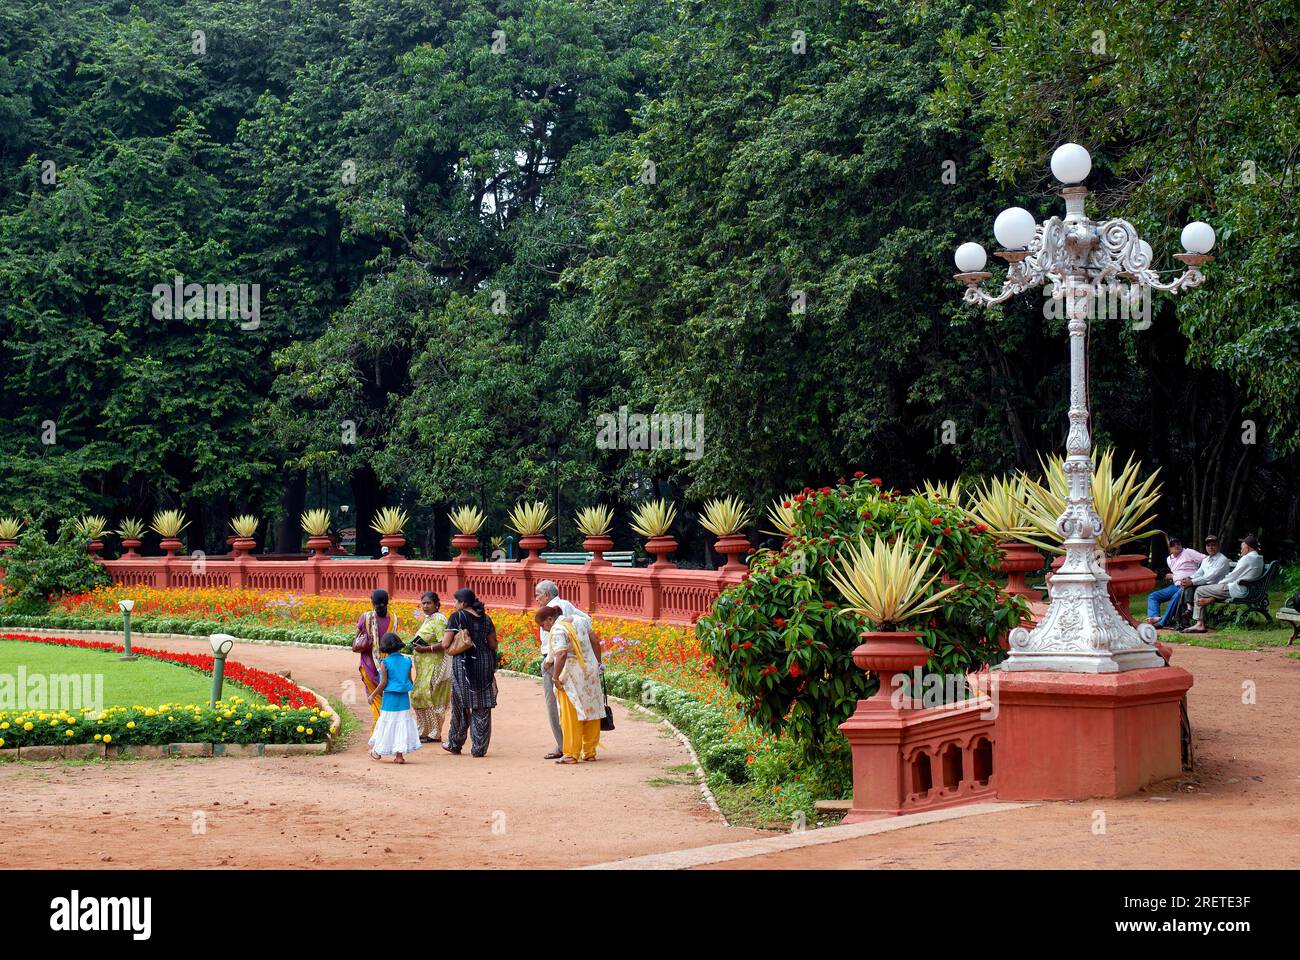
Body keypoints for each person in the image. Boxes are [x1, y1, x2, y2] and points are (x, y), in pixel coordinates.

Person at [534, 580, 599, 760]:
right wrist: (598, 663)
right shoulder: (569, 609)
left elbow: (559, 652)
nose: (536, 599)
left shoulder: (554, 623)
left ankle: (566, 748)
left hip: (562, 666)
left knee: (562, 708)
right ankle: (589, 751)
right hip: (586, 667)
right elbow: (591, 628)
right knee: (588, 707)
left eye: (537, 596)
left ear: (546, 595)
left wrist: (554, 674)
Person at [440, 588, 498, 757]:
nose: (454, 604)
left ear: (463, 603)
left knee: (461, 704)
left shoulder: (457, 617)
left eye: (456, 601)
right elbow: (493, 644)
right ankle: (479, 748)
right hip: (484, 664)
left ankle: (455, 743)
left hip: (464, 665)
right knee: (482, 705)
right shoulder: (486, 619)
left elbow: (445, 644)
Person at [1184, 534, 1265, 633]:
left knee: (1200, 590)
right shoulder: (1258, 558)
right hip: (1248, 589)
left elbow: (1233, 576)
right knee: (1207, 590)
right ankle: (1211, 599)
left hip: (1238, 589)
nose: (1241, 549)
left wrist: (1219, 585)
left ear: (1247, 548)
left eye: (1242, 547)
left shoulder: (1247, 558)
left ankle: (1200, 623)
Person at [367, 632, 421, 763]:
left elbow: (383, 683)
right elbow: (409, 680)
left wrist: (372, 695)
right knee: (401, 724)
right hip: (403, 699)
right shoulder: (407, 661)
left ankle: (377, 751)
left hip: (390, 699)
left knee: (387, 723)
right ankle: (399, 756)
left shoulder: (385, 663)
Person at [353, 589, 401, 725]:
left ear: (372, 603)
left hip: (368, 664)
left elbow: (356, 637)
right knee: (386, 696)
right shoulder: (394, 618)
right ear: (387, 602)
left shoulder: (366, 617)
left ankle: (380, 728)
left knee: (374, 698)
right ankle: (387, 726)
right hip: (387, 665)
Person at [409, 592, 451, 744]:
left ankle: (435, 733)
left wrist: (426, 649)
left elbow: (444, 643)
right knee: (419, 696)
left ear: (436, 604)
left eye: (429, 603)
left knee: (433, 699)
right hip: (424, 669)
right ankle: (423, 731)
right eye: (423, 603)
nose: (425, 606)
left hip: (435, 667)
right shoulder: (429, 619)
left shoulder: (439, 620)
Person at [1145, 537, 1205, 628]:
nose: (1176, 546)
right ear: (1169, 549)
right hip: (1176, 585)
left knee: (1175, 597)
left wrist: (1197, 574)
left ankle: (1163, 622)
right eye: (1173, 545)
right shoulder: (1169, 559)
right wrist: (1173, 576)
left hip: (1188, 585)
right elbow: (1177, 572)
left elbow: (1205, 559)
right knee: (1153, 596)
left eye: (1178, 543)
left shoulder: (1188, 552)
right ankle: (1154, 617)